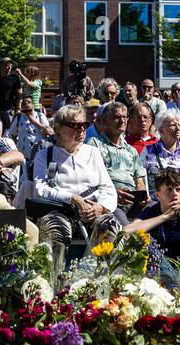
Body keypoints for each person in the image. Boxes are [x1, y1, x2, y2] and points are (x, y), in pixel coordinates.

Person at [29, 103, 119, 271]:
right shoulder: (45, 155)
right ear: (58, 127)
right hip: (60, 210)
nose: (82, 130)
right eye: (75, 126)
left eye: (84, 125)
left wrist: (100, 207)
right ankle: (55, 280)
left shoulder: (93, 152)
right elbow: (40, 189)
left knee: (109, 226)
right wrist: (72, 198)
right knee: (54, 231)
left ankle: (93, 277)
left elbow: (108, 188)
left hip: (92, 210)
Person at [87, 101, 147, 219]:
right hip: (109, 201)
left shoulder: (131, 150)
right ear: (104, 121)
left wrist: (142, 196)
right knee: (124, 226)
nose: (122, 121)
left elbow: (139, 181)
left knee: (158, 210)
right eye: (116, 117)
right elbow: (91, 179)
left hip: (133, 200)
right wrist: (114, 193)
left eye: (124, 117)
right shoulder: (94, 144)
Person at [142, 108, 180, 193]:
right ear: (161, 130)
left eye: (179, 125)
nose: (178, 128)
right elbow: (140, 176)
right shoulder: (148, 150)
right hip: (156, 201)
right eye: (173, 125)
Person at [0, 58, 22, 130]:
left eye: (10, 65)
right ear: (1, 66)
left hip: (11, 109)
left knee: (11, 130)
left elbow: (19, 95)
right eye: (6, 65)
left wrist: (18, 109)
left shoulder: (15, 78)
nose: (9, 67)